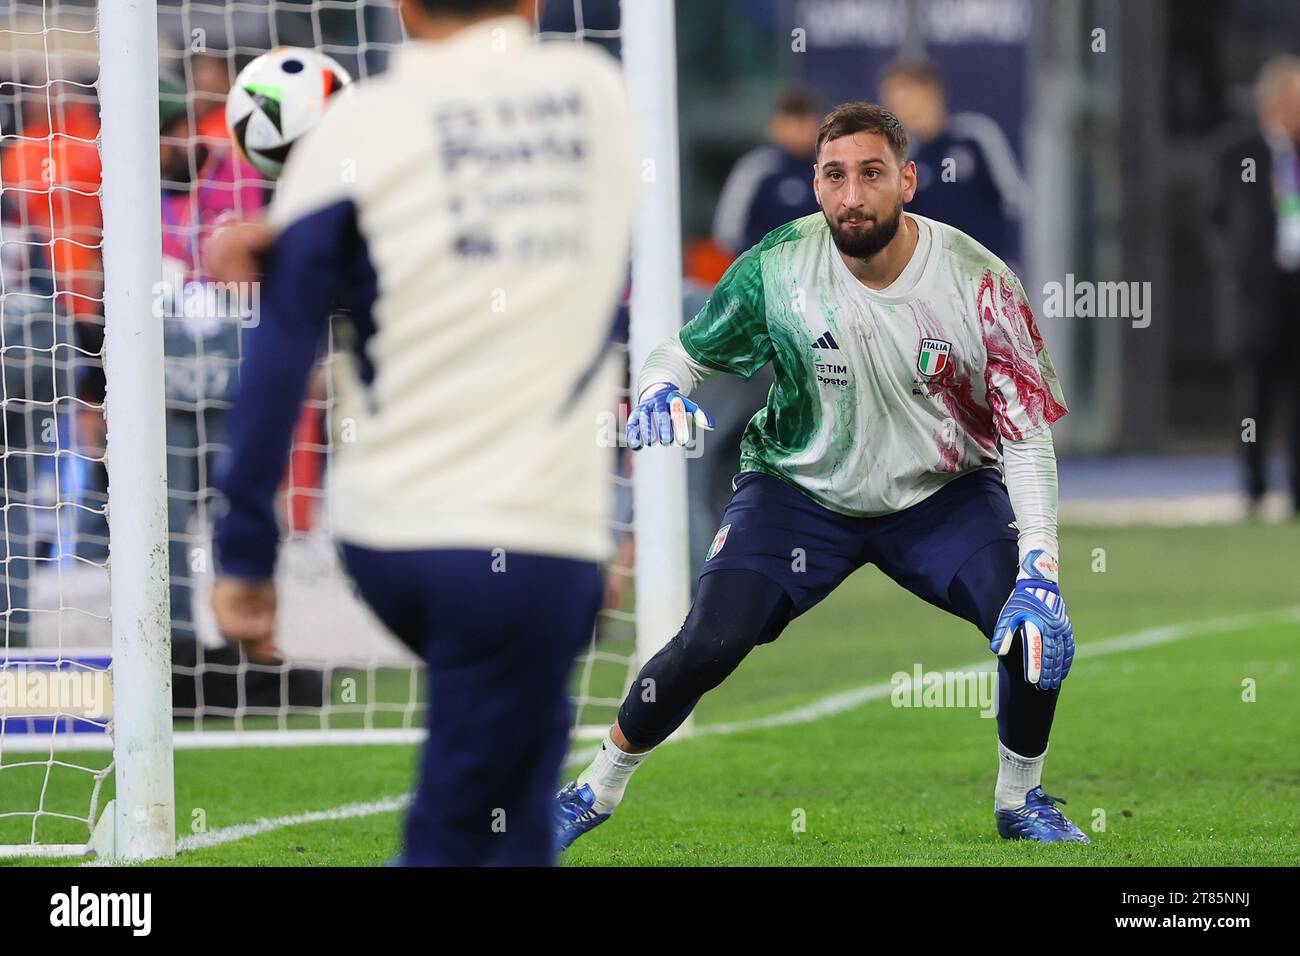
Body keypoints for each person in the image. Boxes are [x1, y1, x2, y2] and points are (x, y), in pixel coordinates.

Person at [556, 102, 1088, 849]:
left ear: (906, 180)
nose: (852, 195)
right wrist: (657, 392)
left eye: (871, 174)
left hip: (940, 495)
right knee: (709, 640)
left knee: (1032, 628)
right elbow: (682, 354)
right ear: (815, 185)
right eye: (835, 176)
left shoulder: (979, 282)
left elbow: (1026, 437)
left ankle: (1020, 800)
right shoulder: (778, 265)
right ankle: (591, 792)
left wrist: (1042, 566)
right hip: (799, 492)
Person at [208, 0, 637, 866]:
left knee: (515, 788)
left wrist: (246, 556)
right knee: (461, 817)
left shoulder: (355, 126)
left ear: (402, 8)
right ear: (533, 4)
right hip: (526, 533)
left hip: (386, 534)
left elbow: (282, 348)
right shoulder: (600, 92)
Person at [1216, 55, 1300, 516]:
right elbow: (1215, 218)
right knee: (1257, 396)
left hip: (1298, 287)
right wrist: (1241, 265)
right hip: (1260, 294)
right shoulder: (1238, 152)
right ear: (1275, 102)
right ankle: (1254, 489)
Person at [878, 60, 1024, 265]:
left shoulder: (975, 137)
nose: (898, 109)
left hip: (989, 277)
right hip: (936, 282)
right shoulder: (900, 158)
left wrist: (1011, 264)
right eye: (891, 102)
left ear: (931, 94)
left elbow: (1016, 202)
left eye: (905, 99)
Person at [712, 87, 823, 258]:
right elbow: (728, 232)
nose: (799, 130)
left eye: (805, 122)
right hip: (763, 272)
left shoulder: (827, 169)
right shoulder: (756, 168)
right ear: (774, 126)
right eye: (792, 121)